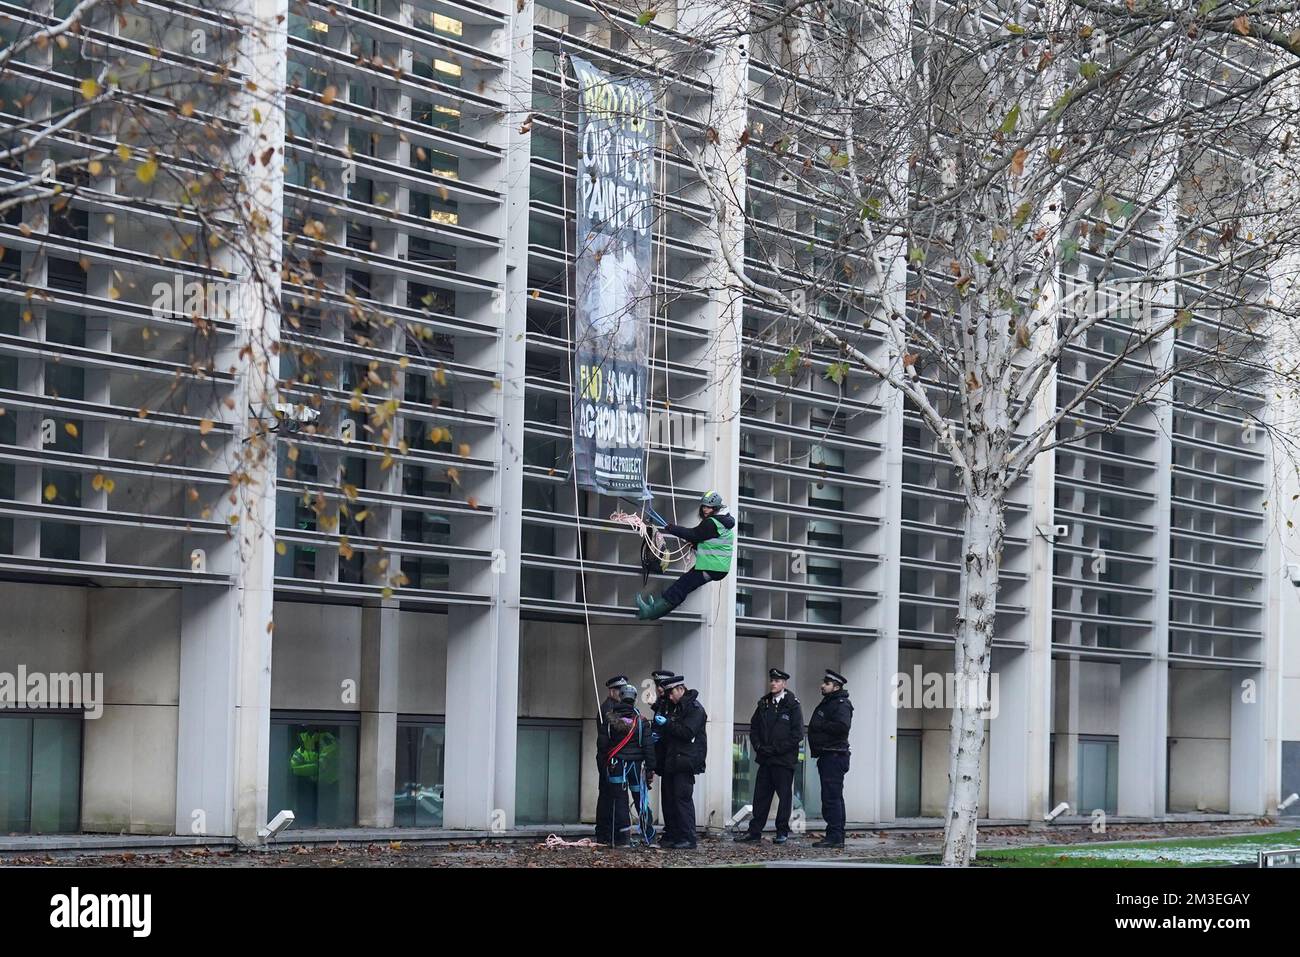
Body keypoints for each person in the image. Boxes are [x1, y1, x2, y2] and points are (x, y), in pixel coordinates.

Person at [633, 491, 737, 620]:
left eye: (708, 507)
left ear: (715, 508)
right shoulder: (723, 521)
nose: (705, 509)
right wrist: (695, 545)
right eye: (703, 506)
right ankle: (654, 611)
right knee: (681, 587)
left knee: (681, 587)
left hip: (712, 567)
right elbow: (709, 541)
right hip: (715, 566)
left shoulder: (712, 523)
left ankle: (651, 612)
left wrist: (670, 528)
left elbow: (693, 534)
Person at [736, 668, 803, 844]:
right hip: (766, 759)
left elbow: (797, 735)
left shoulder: (792, 704)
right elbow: (754, 728)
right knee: (761, 797)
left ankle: (782, 831)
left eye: (777, 681)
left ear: (784, 684)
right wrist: (759, 746)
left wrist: (776, 749)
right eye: (772, 680)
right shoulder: (764, 703)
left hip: (783, 760)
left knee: (784, 797)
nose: (773, 683)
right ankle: (754, 831)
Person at [598, 683, 657, 847]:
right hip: (637, 768)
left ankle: (622, 838)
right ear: (634, 699)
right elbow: (648, 747)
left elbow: (602, 745)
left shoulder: (609, 720)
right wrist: (651, 769)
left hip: (617, 766)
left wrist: (604, 765)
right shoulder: (641, 721)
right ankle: (649, 836)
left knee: (619, 801)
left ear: (621, 697)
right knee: (641, 800)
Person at [654, 674, 707, 849]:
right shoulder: (674, 707)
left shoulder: (694, 708)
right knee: (669, 799)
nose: (669, 697)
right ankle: (674, 834)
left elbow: (687, 733)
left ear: (680, 689)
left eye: (671, 693)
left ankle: (688, 837)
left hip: (685, 761)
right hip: (672, 760)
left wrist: (667, 724)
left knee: (682, 799)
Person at [807, 669, 853, 849]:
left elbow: (842, 727)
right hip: (828, 754)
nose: (822, 686)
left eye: (826, 683)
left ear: (836, 686)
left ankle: (835, 836)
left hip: (834, 755)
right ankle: (834, 835)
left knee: (832, 798)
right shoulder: (830, 702)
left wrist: (821, 726)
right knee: (831, 797)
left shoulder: (841, 704)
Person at [594, 674, 630, 845]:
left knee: (610, 796)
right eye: (619, 691)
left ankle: (607, 832)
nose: (622, 694)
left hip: (611, 758)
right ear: (612, 691)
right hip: (608, 758)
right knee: (609, 797)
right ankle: (606, 832)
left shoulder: (617, 707)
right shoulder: (609, 709)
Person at [649, 669, 675, 838]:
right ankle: (670, 829)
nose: (659, 688)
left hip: (672, 756)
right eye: (657, 685)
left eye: (662, 685)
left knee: (674, 797)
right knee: (666, 796)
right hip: (663, 757)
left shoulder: (673, 705)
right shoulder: (661, 704)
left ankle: (674, 830)